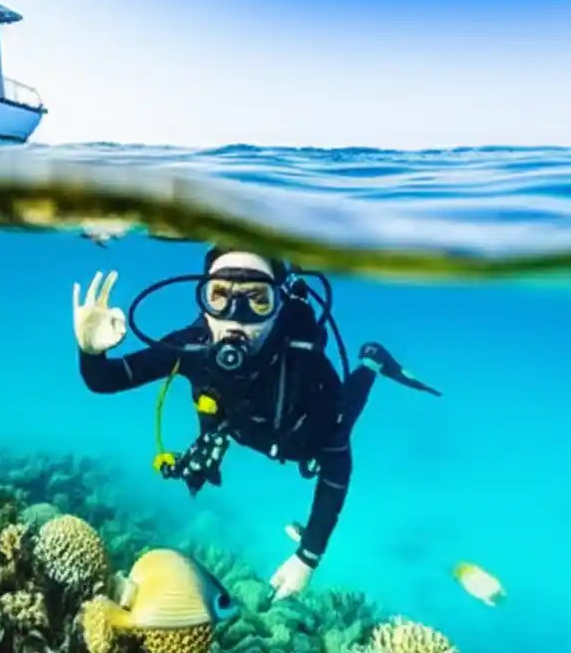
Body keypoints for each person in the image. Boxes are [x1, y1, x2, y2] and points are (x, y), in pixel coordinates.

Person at [71, 247, 440, 600]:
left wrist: (307, 557)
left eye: (257, 299)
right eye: (219, 296)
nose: (235, 316)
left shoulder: (302, 360)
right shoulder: (192, 346)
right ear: (204, 301)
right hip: (237, 426)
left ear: (278, 306)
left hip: (298, 439)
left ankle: (371, 362)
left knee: (343, 415)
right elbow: (106, 380)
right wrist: (91, 351)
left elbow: (336, 463)